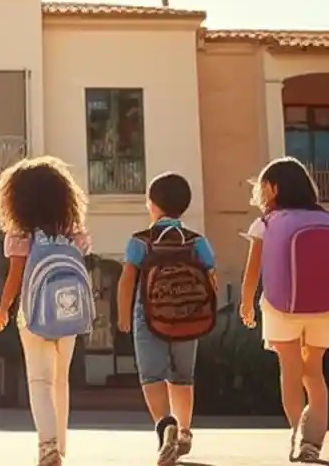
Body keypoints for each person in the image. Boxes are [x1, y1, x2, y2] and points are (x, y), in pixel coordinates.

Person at [0, 156, 92, 466]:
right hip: (68, 311)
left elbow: (15, 277)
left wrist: (0, 310)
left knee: (40, 380)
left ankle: (47, 447)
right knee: (61, 379)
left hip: (33, 313)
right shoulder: (72, 230)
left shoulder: (22, 233)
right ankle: (60, 445)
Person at [240, 157, 329, 463]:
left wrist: (246, 306)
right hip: (323, 306)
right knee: (315, 373)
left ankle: (297, 432)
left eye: (263, 186)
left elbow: (252, 271)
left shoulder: (267, 223)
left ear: (274, 188)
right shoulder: (327, 219)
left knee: (291, 370)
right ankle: (314, 442)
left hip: (281, 304)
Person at [116, 172, 217, 466]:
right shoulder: (197, 241)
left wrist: (123, 317)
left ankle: (165, 424)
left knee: (152, 376)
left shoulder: (140, 241)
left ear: (151, 204)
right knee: (182, 377)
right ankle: (185, 432)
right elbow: (211, 278)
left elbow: (126, 280)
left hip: (148, 317)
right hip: (191, 317)